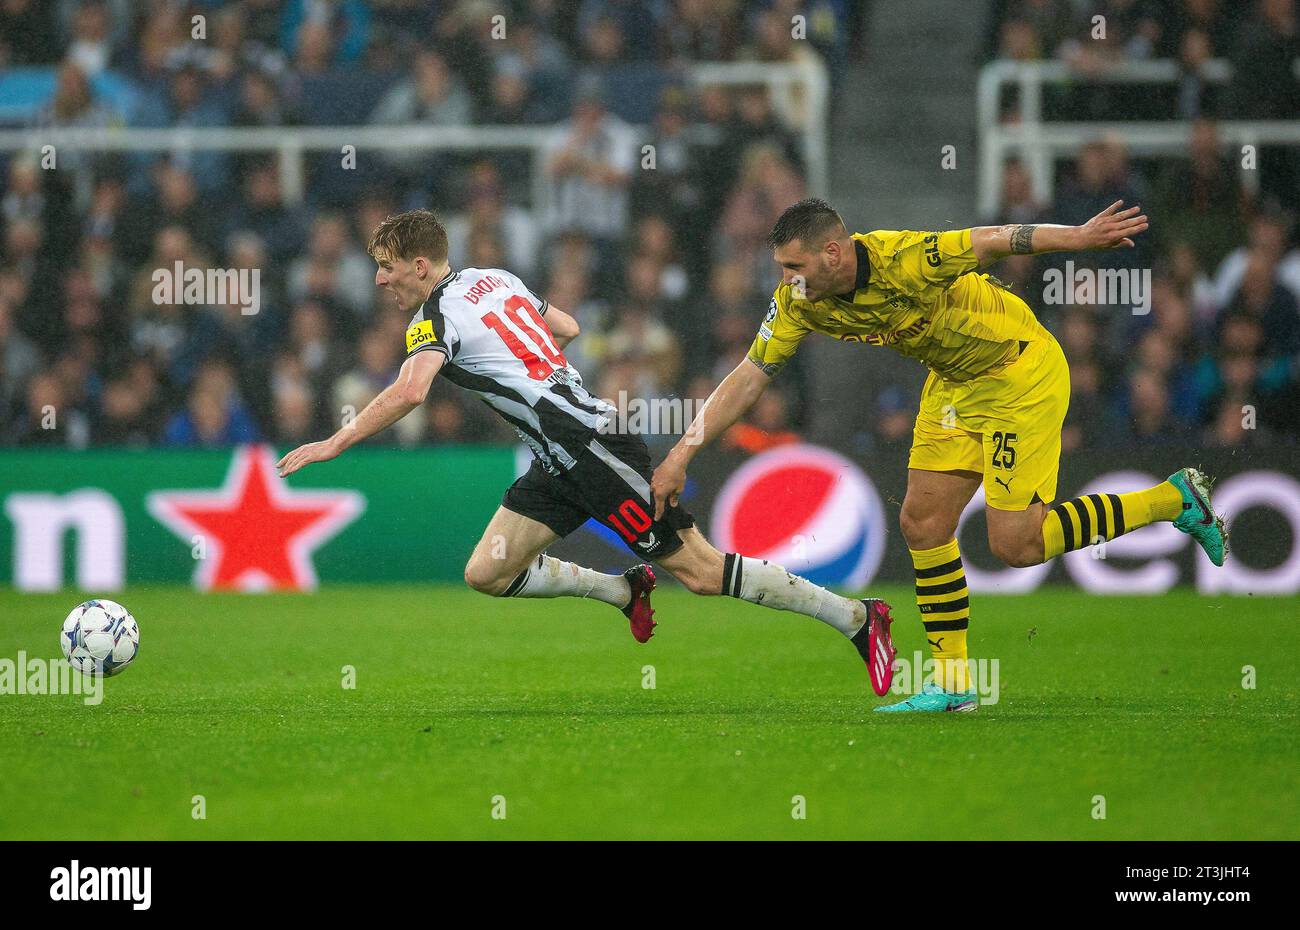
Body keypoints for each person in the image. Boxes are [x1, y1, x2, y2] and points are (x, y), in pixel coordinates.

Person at [276, 210, 898, 694]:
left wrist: (336, 441)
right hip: (558, 457)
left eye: (386, 267)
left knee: (703, 574)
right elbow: (567, 327)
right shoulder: (495, 278)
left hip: (592, 449)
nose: (379, 280)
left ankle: (856, 619)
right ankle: (623, 591)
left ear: (419, 265)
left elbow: (412, 391)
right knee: (487, 572)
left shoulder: (433, 318)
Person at [651, 198, 1229, 713]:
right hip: (953, 384)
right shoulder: (799, 303)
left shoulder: (907, 257)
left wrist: (1075, 238)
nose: (786, 280)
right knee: (923, 523)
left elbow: (992, 239)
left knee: (1016, 545)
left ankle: (1172, 499)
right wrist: (682, 453)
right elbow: (751, 376)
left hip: (1017, 373)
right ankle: (952, 685)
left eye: (794, 267)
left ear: (833, 252)